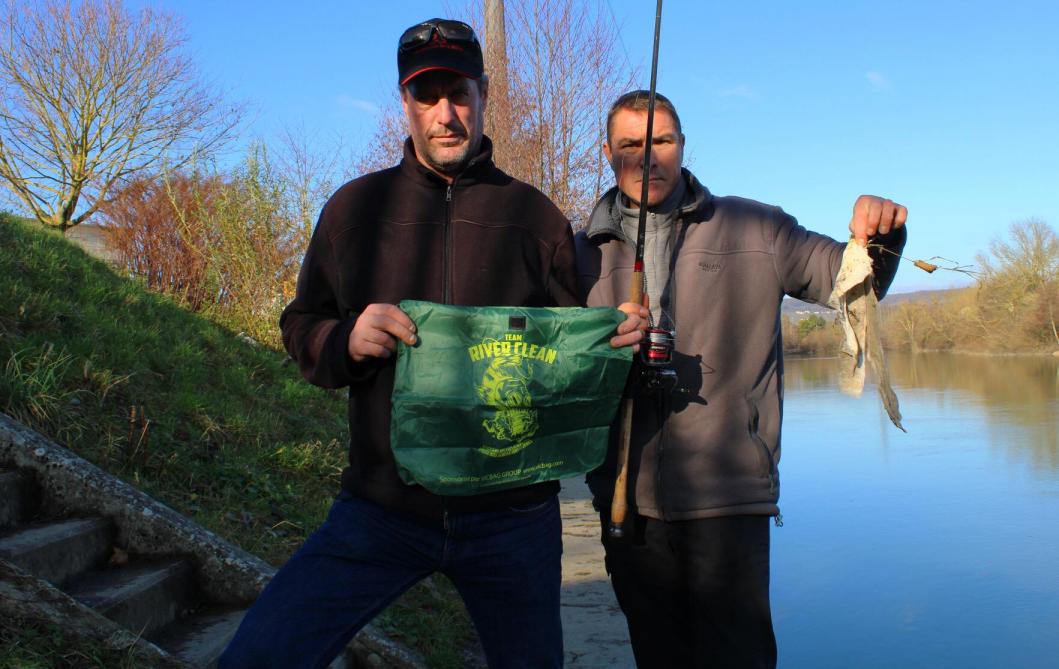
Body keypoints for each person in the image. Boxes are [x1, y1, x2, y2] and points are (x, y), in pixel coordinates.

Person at [219, 20, 642, 669]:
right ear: (404, 102)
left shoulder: (536, 219)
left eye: (460, 92)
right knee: (257, 657)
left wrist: (614, 339)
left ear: (484, 91)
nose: (445, 114)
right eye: (426, 95)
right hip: (380, 509)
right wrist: (344, 337)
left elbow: (569, 359)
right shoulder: (353, 211)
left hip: (515, 519)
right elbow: (299, 322)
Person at [574, 90, 908, 668]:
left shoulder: (758, 227)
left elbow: (850, 280)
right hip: (626, 501)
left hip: (729, 500)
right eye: (630, 145)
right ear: (606, 153)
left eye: (662, 141)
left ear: (682, 146)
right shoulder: (576, 253)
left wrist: (877, 238)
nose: (647, 157)